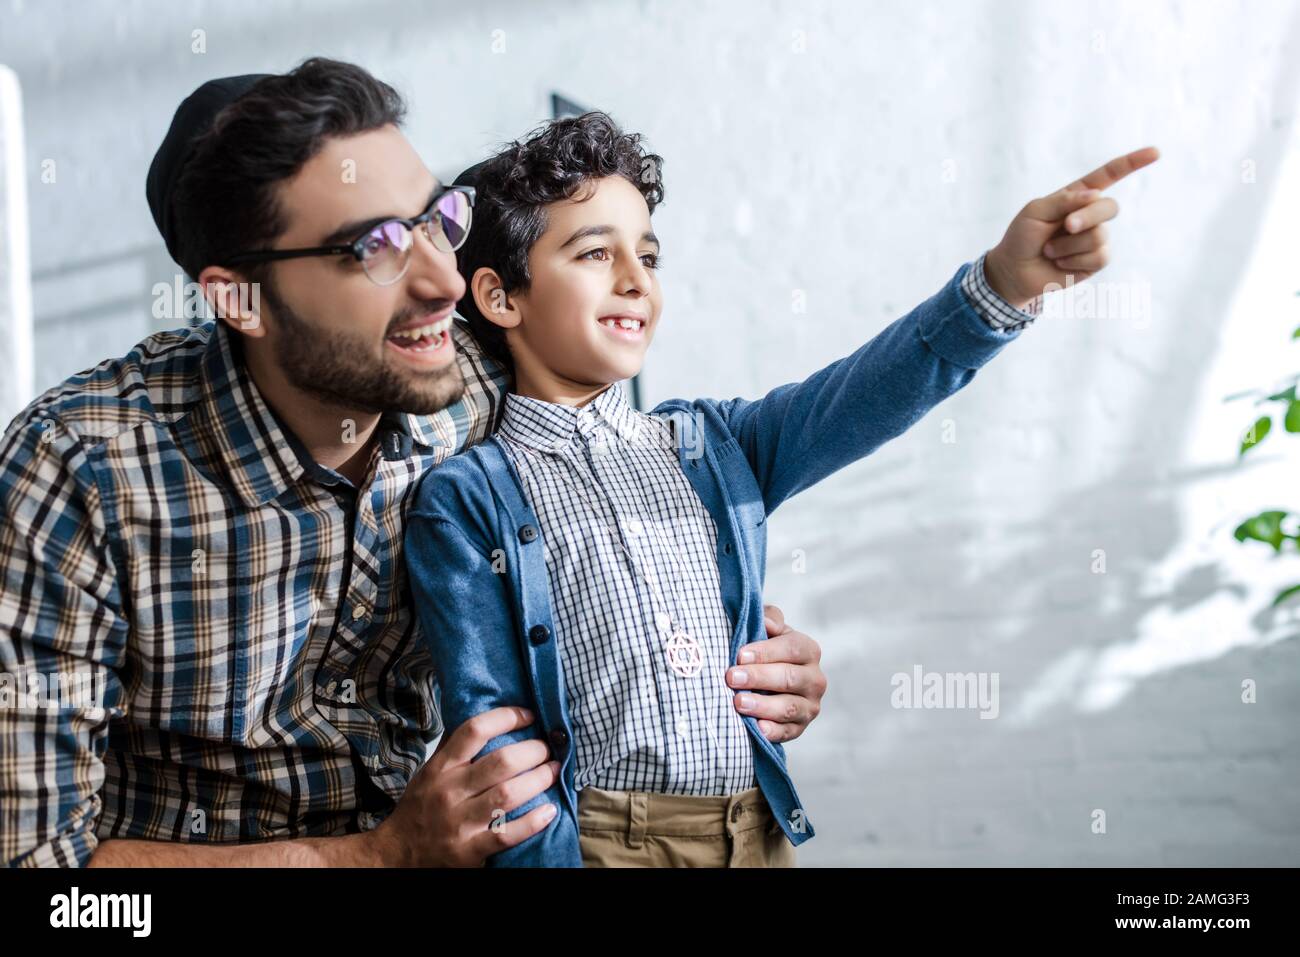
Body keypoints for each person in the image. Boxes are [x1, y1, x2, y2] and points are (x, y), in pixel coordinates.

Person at [0, 59, 829, 868]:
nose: (444, 281)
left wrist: (718, 638)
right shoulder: (80, 472)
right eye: (375, 246)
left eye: (438, 221)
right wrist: (375, 856)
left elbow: (620, 501)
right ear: (237, 298)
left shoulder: (476, 382)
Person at [404, 112, 1158, 866]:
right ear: (502, 297)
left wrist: (1003, 282)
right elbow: (494, 751)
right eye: (595, 252)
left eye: (649, 255)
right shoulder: (467, 499)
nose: (636, 279)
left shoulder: (711, 445)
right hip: (601, 846)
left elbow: (866, 392)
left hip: (755, 835)